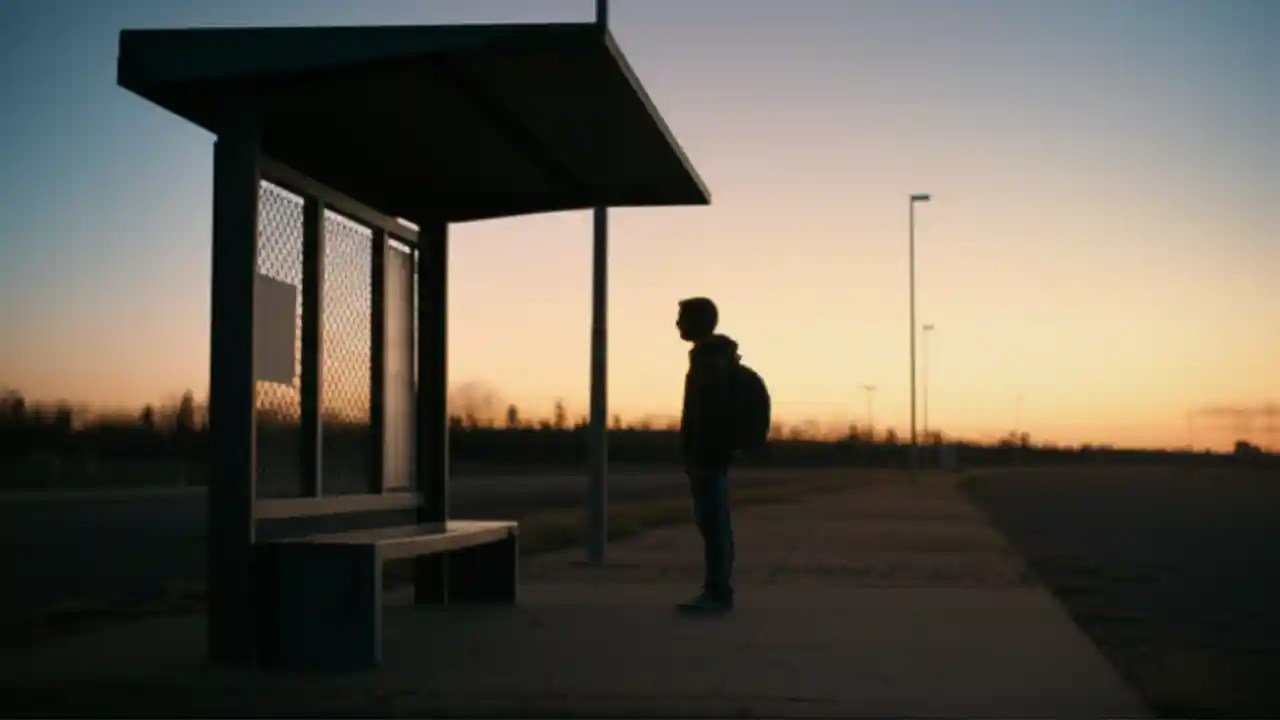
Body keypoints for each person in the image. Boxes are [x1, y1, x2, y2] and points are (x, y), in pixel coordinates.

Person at [675, 297, 739, 614]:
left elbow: (707, 414)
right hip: (710, 455)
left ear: (698, 322)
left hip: (708, 456)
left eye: (682, 317)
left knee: (713, 525)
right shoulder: (712, 357)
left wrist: (698, 450)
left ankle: (717, 592)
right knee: (715, 524)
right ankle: (716, 589)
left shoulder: (709, 361)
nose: (677, 323)